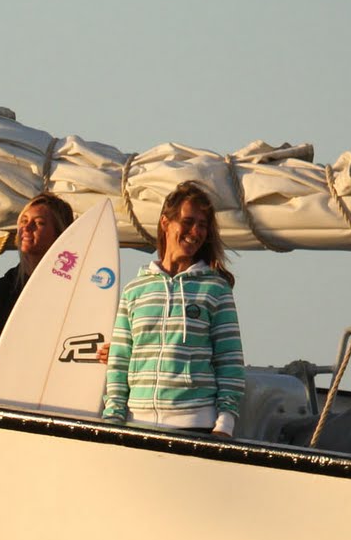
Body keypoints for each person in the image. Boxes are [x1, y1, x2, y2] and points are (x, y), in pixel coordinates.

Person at [101, 180, 244, 435]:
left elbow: (229, 361)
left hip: (195, 424)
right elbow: (120, 360)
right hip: (136, 424)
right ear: (166, 223)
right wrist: (113, 417)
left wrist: (225, 425)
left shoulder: (216, 289)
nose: (196, 231)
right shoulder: (135, 290)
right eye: (188, 222)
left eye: (202, 225)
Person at [0, 192, 75, 398]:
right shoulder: (1, 290)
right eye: (24, 221)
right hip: (7, 393)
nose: (27, 228)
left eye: (39, 223)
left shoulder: (76, 290)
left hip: (55, 395)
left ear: (60, 235)